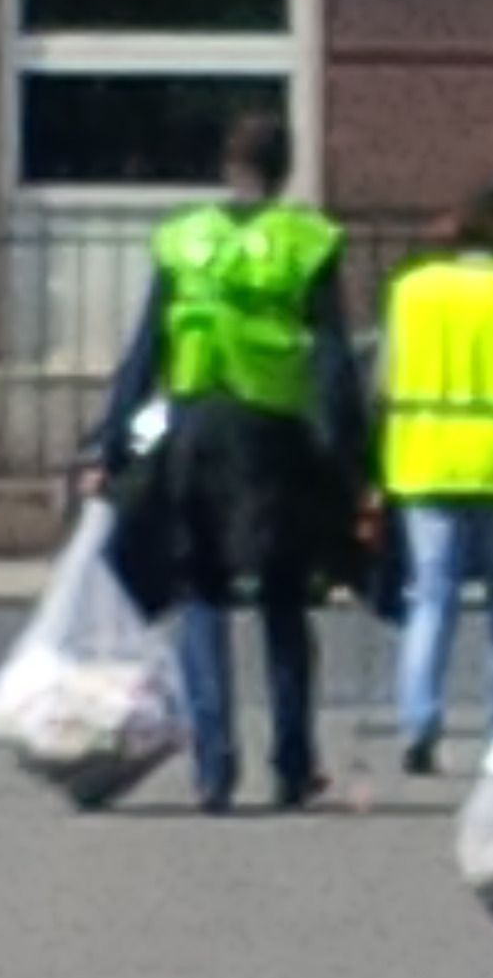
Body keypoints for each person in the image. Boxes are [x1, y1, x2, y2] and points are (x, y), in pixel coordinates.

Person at [88, 114, 369, 814]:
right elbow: (333, 359)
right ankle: (293, 763)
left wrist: (111, 444)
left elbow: (146, 349)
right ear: (288, 168)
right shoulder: (307, 241)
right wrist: (351, 460)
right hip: (272, 432)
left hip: (193, 429)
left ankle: (214, 767)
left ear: (226, 165)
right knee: (283, 598)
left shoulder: (184, 238)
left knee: (201, 591)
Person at [378, 185, 493, 776]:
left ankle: (419, 723)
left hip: (426, 458)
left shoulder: (411, 290)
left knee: (432, 598)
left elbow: (385, 380)